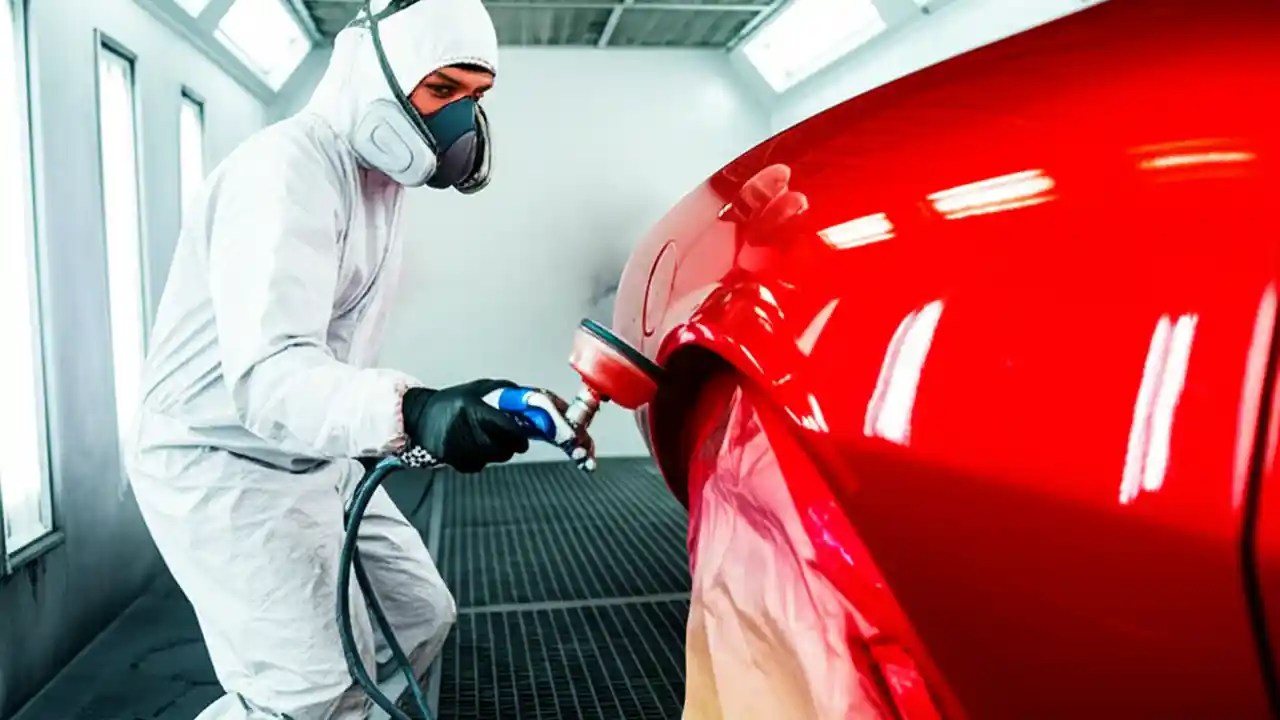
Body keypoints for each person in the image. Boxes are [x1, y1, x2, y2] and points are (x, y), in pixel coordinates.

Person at [124, 0, 570, 717]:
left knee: (421, 618)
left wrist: (451, 412)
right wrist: (415, 411)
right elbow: (271, 379)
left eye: (475, 98)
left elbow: (332, 359)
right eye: (443, 91)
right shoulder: (284, 171)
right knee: (309, 694)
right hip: (222, 462)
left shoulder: (377, 185)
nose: (460, 122)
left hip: (308, 457)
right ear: (376, 79)